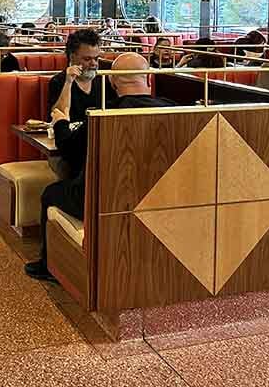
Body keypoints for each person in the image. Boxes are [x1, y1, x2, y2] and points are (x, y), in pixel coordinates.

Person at [25, 52, 175, 281]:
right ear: (149, 79)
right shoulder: (176, 111)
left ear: (113, 84)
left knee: (51, 193)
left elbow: (67, 149)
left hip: (104, 200)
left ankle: (49, 265)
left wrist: (61, 121)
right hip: (164, 199)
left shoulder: (104, 116)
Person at [47, 29, 102, 124]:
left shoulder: (103, 81)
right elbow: (58, 115)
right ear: (72, 57)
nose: (94, 64)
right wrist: (68, 82)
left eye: (96, 59)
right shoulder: (59, 80)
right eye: (87, 59)